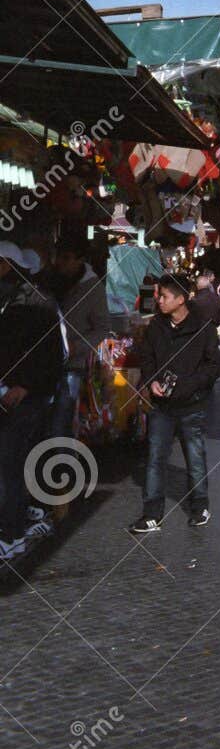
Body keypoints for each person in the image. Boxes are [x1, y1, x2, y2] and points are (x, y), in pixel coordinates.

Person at [130, 273, 220, 534]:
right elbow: (146, 358)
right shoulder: (156, 327)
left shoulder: (202, 327)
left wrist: (191, 385)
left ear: (180, 300)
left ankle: (200, 506)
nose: (159, 300)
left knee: (194, 456)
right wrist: (151, 382)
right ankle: (151, 513)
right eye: (159, 296)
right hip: (162, 405)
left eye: (164, 296)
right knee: (155, 457)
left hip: (191, 404)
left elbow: (215, 364)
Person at [0, 244, 65, 558]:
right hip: (14, 394)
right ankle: (24, 516)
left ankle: (12, 535)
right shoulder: (14, 299)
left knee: (9, 464)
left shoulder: (34, 303)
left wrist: (24, 386)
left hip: (27, 397)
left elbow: (52, 355)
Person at [45, 235, 112, 438]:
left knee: (62, 422)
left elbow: (102, 328)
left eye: (66, 258)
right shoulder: (51, 281)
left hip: (71, 366)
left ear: (80, 259)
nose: (60, 263)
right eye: (58, 257)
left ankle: (57, 466)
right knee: (43, 419)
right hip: (43, 363)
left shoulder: (93, 288)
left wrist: (75, 347)